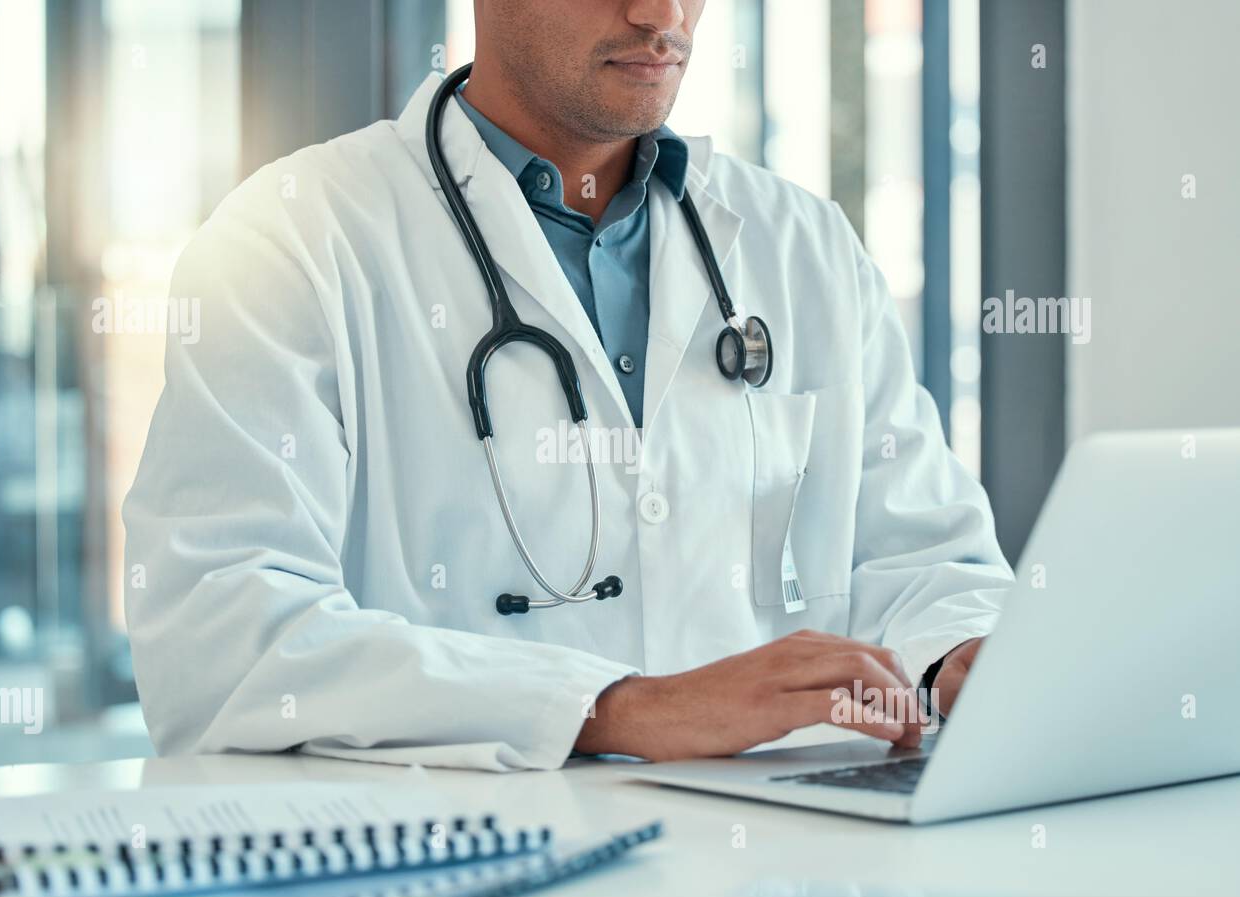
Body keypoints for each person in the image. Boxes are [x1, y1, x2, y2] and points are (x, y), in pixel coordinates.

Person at [123, 0, 1013, 771]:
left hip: (772, 858)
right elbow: (223, 640)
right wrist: (613, 708)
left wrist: (962, 654)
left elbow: (928, 560)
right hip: (465, 867)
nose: (662, 16)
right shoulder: (293, 243)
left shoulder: (803, 245)